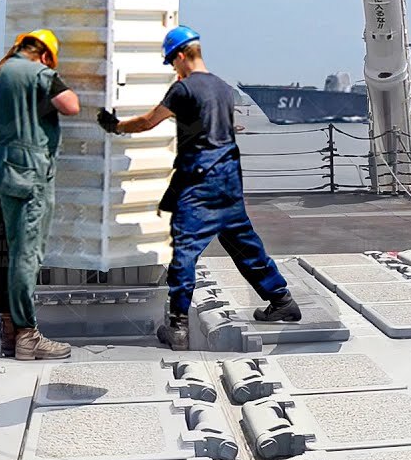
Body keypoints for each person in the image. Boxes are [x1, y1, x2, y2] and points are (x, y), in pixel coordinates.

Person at [97, 26, 301, 350]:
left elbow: (149, 121)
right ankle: (282, 300)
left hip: (200, 182)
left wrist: (115, 126)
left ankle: (177, 326)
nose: (172, 68)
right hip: (229, 179)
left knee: (185, 250)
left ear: (181, 56)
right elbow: (212, 126)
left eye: (171, 62)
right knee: (244, 244)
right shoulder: (223, 88)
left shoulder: (183, 89)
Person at [0, 29, 80, 360]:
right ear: (45, 55)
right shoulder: (39, 73)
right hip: (23, 169)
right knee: (25, 251)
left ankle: (7, 330)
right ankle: (27, 335)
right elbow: (70, 105)